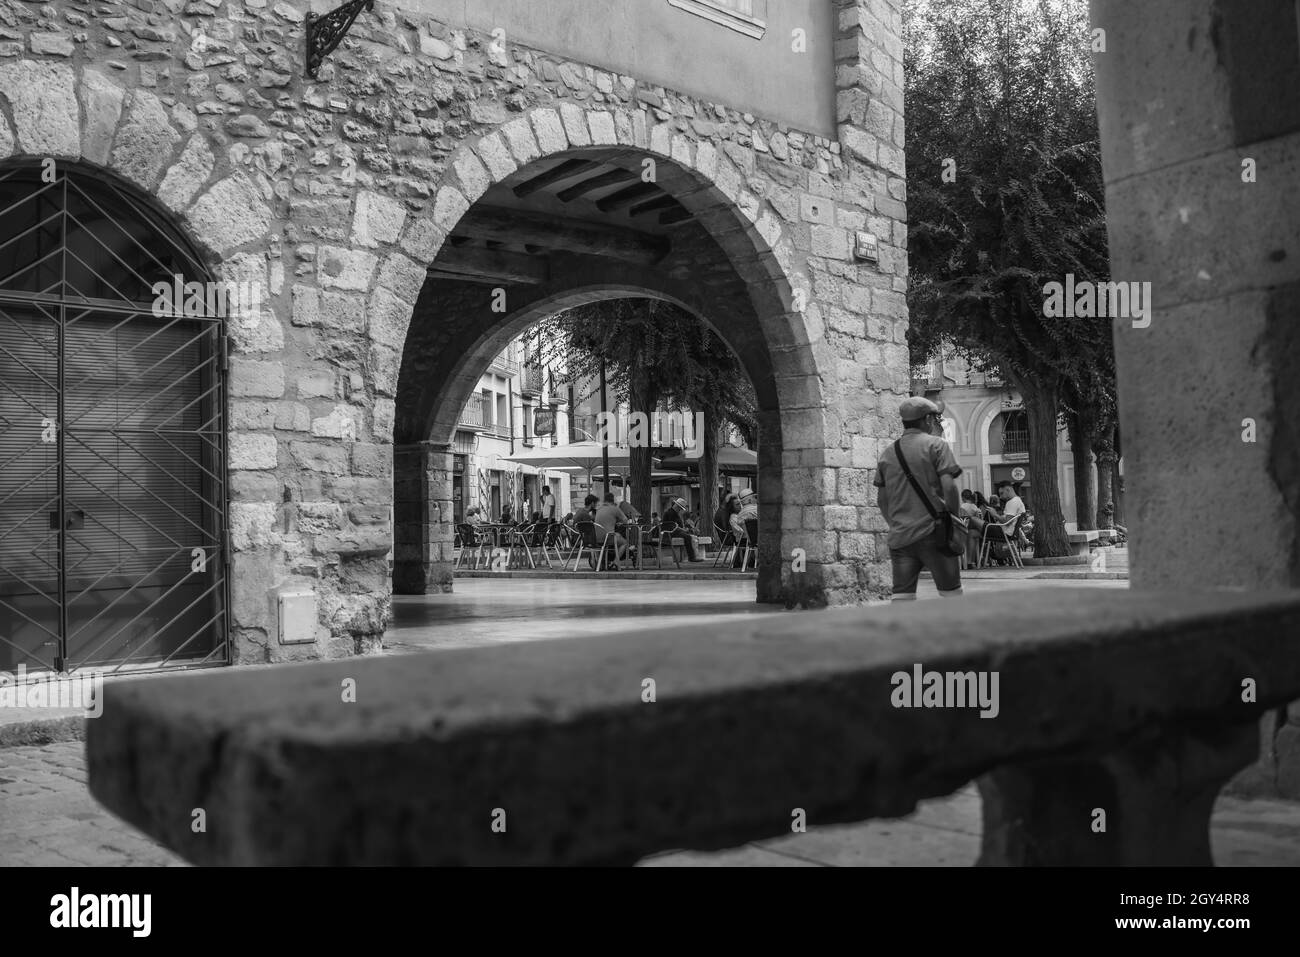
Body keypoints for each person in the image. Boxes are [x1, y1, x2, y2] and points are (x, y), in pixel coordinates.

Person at [873, 396, 964, 600]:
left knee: (902, 598)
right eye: (936, 418)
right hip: (934, 532)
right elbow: (949, 487)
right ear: (928, 419)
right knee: (952, 595)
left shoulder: (888, 453)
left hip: (900, 537)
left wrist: (895, 523)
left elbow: (882, 499)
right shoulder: (936, 446)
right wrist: (954, 517)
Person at [660, 496, 702, 562]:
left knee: (691, 535)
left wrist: (684, 529)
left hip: (675, 531)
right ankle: (691, 557)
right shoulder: (670, 513)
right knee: (688, 537)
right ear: (677, 506)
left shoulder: (674, 513)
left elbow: (676, 526)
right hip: (670, 532)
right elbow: (672, 526)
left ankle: (694, 555)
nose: (680, 510)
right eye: (680, 508)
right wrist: (684, 530)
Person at [594, 493, 630, 567]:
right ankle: (616, 562)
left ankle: (601, 562)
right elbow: (625, 520)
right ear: (613, 500)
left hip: (595, 538)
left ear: (604, 500)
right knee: (624, 543)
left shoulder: (599, 509)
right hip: (608, 538)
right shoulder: (614, 508)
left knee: (614, 537)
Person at [730, 488, 758, 568]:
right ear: (749, 500)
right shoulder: (759, 510)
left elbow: (741, 530)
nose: (755, 499)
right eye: (753, 497)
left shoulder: (740, 515)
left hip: (749, 541)